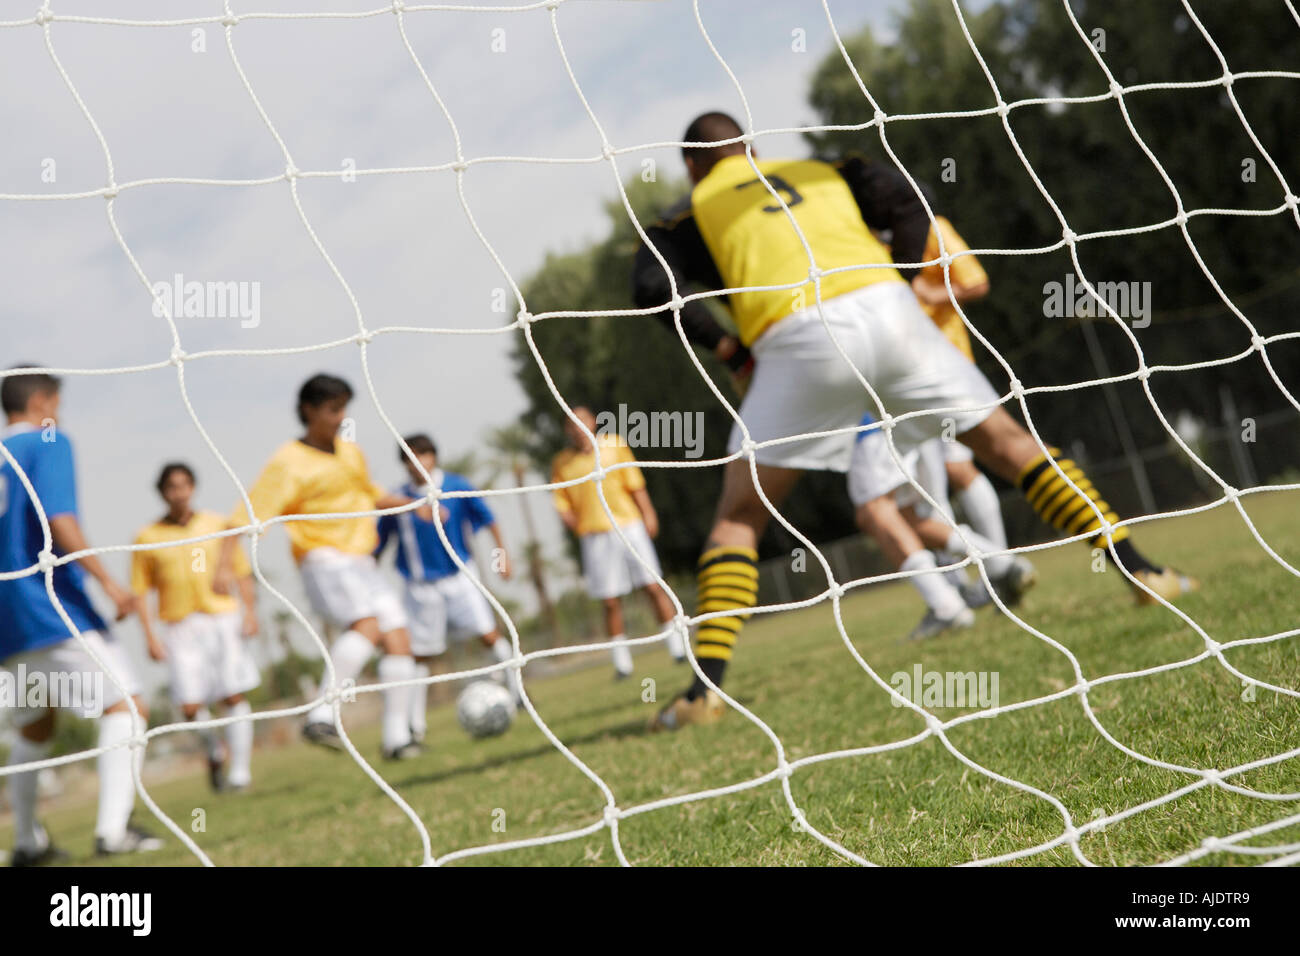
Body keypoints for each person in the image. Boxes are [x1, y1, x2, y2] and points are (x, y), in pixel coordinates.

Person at [630, 112, 1197, 730]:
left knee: (740, 516)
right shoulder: (826, 169)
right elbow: (909, 197)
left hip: (797, 336)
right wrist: (899, 274)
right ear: (754, 149)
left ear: (692, 166)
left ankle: (704, 691)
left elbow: (653, 286)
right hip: (890, 310)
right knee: (1009, 444)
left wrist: (731, 350)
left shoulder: (684, 215)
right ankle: (1142, 569)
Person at [1, 366, 163, 864]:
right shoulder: (47, 441)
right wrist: (111, 583)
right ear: (44, 402)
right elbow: (60, 520)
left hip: (6, 621)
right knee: (128, 707)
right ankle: (113, 831)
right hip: (48, 606)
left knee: (35, 727)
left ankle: (27, 843)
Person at [214, 373, 421, 761]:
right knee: (369, 626)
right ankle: (321, 712)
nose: (340, 417)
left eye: (344, 408)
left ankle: (397, 739)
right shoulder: (288, 463)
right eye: (332, 409)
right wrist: (224, 564)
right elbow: (244, 514)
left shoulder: (351, 452)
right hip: (324, 559)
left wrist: (409, 504)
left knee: (399, 640)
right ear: (308, 411)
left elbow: (369, 492)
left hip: (362, 561)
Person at [375, 433, 517, 744]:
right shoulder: (397, 499)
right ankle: (415, 726)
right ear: (404, 464)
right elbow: (379, 543)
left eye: (423, 455)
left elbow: (488, 519)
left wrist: (502, 556)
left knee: (489, 635)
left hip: (459, 577)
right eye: (410, 458)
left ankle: (518, 693)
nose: (418, 464)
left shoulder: (456, 485)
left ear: (434, 457)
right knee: (419, 656)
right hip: (419, 587)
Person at [132, 462, 260, 791]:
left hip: (221, 616)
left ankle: (240, 774)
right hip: (179, 624)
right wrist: (149, 636)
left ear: (193, 488)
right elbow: (140, 592)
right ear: (162, 492)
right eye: (172, 487)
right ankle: (215, 748)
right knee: (190, 706)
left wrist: (250, 613)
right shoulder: (147, 537)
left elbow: (242, 571)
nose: (179, 493)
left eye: (184, 485)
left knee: (232, 693)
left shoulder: (218, 524)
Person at [550, 406, 684, 678]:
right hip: (596, 536)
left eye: (582, 420)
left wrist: (648, 513)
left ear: (594, 422)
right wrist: (578, 526)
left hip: (629, 526)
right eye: (572, 423)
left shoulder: (614, 445)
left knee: (652, 586)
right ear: (568, 429)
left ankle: (677, 647)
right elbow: (562, 504)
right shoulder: (561, 463)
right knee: (610, 600)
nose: (578, 427)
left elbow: (635, 483)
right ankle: (622, 664)